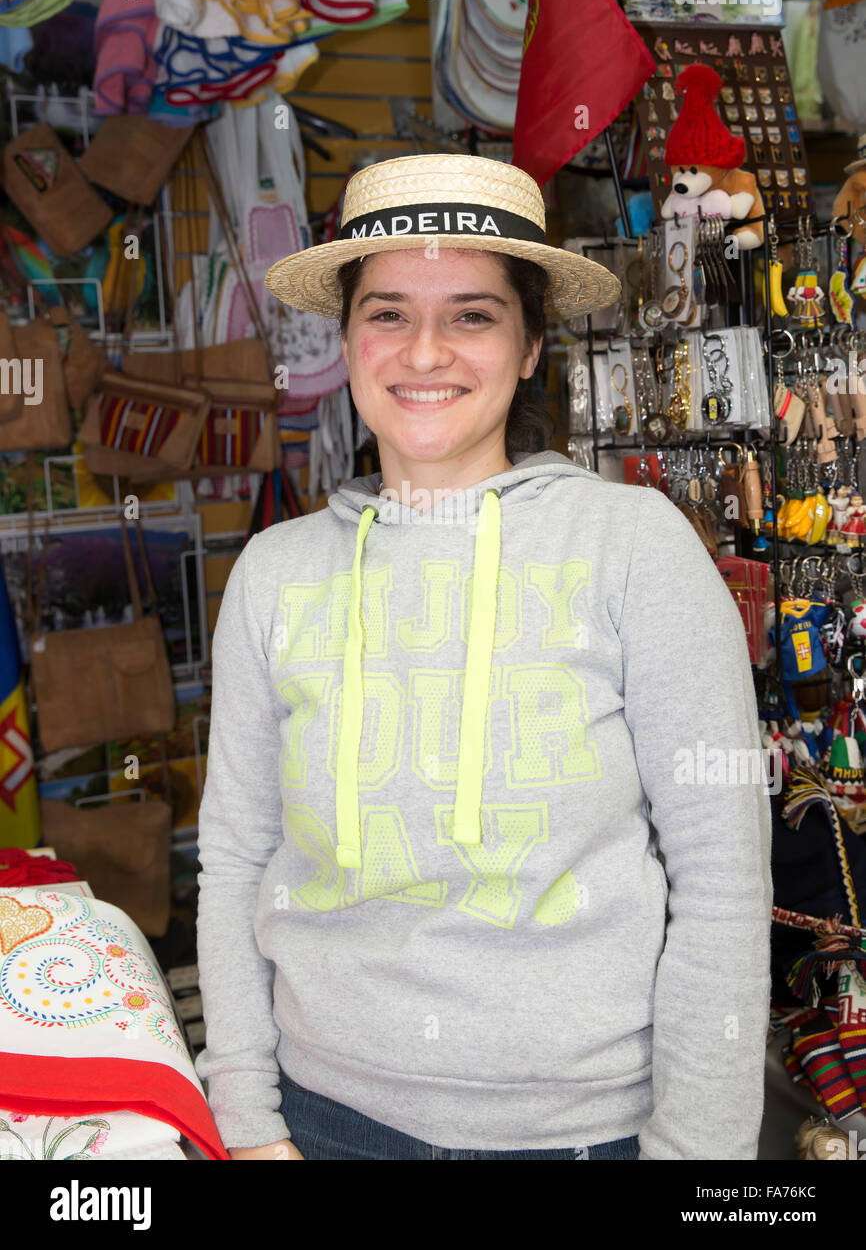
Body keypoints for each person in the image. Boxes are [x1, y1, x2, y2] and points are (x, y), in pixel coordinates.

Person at [194, 153, 773, 1162]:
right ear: (344, 339)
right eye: (385, 312)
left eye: (470, 314)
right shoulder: (272, 575)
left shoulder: (634, 549)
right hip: (323, 1122)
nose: (424, 351)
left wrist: (696, 1159)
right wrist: (245, 1120)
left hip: (587, 1137)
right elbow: (237, 859)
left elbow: (721, 882)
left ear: (529, 343)